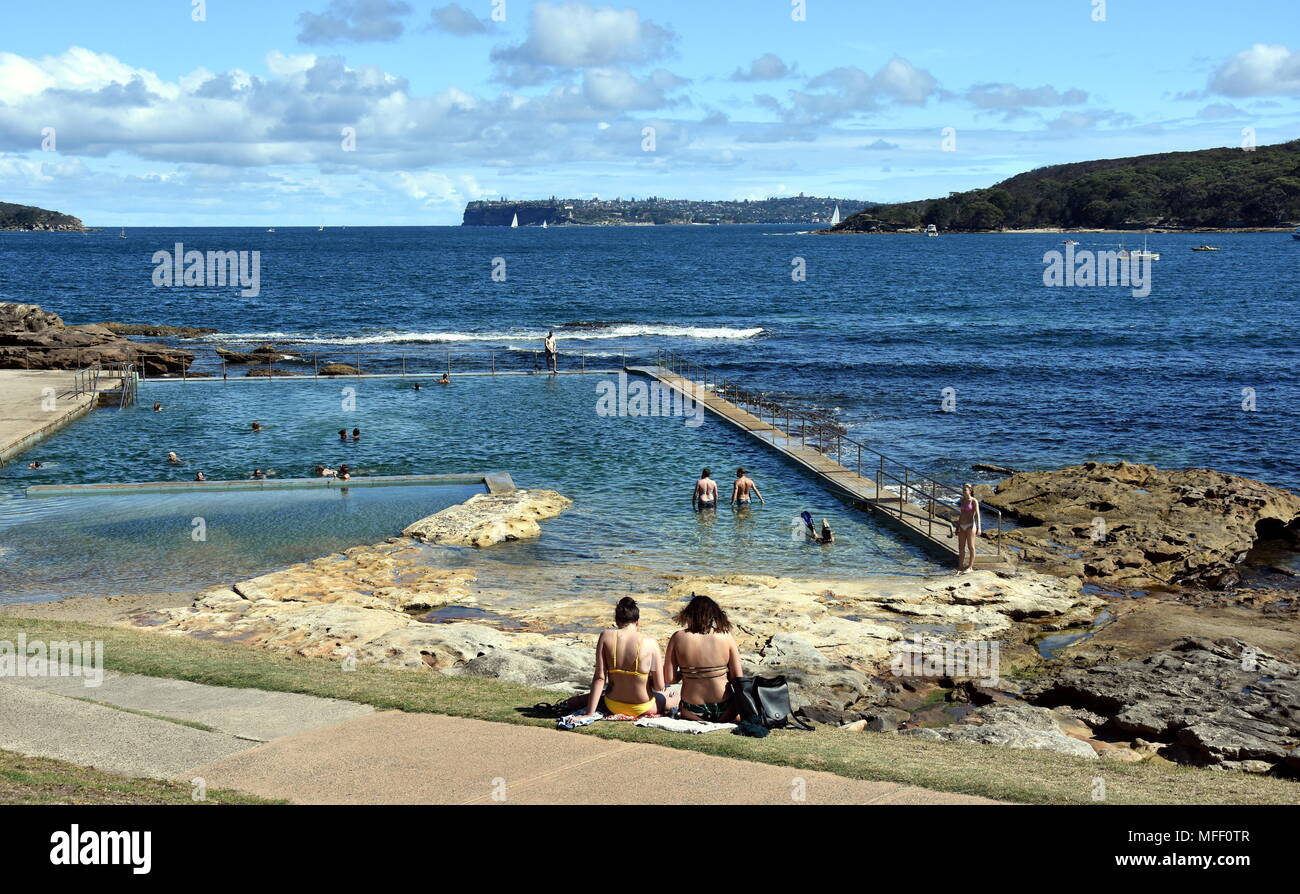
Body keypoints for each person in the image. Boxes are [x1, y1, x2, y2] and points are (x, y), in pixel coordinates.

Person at [573, 597, 671, 719]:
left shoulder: (605, 636)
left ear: (616, 620)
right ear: (637, 621)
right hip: (643, 706)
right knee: (672, 697)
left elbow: (599, 678)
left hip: (613, 705)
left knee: (598, 695)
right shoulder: (651, 643)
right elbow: (659, 686)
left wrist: (589, 713)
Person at [665, 593, 743, 723]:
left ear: (688, 614)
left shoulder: (678, 637)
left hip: (692, 710)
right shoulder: (725, 636)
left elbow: (669, 679)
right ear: (714, 615)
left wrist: (686, 673)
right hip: (725, 709)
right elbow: (738, 679)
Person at [953, 483, 982, 573]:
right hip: (962, 526)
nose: (963, 491)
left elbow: (977, 515)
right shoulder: (962, 500)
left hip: (970, 525)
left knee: (971, 547)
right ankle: (960, 566)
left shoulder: (974, 501)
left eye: (965, 490)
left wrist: (979, 527)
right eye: (963, 490)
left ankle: (970, 567)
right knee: (961, 547)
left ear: (970, 491)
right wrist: (957, 527)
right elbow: (961, 514)